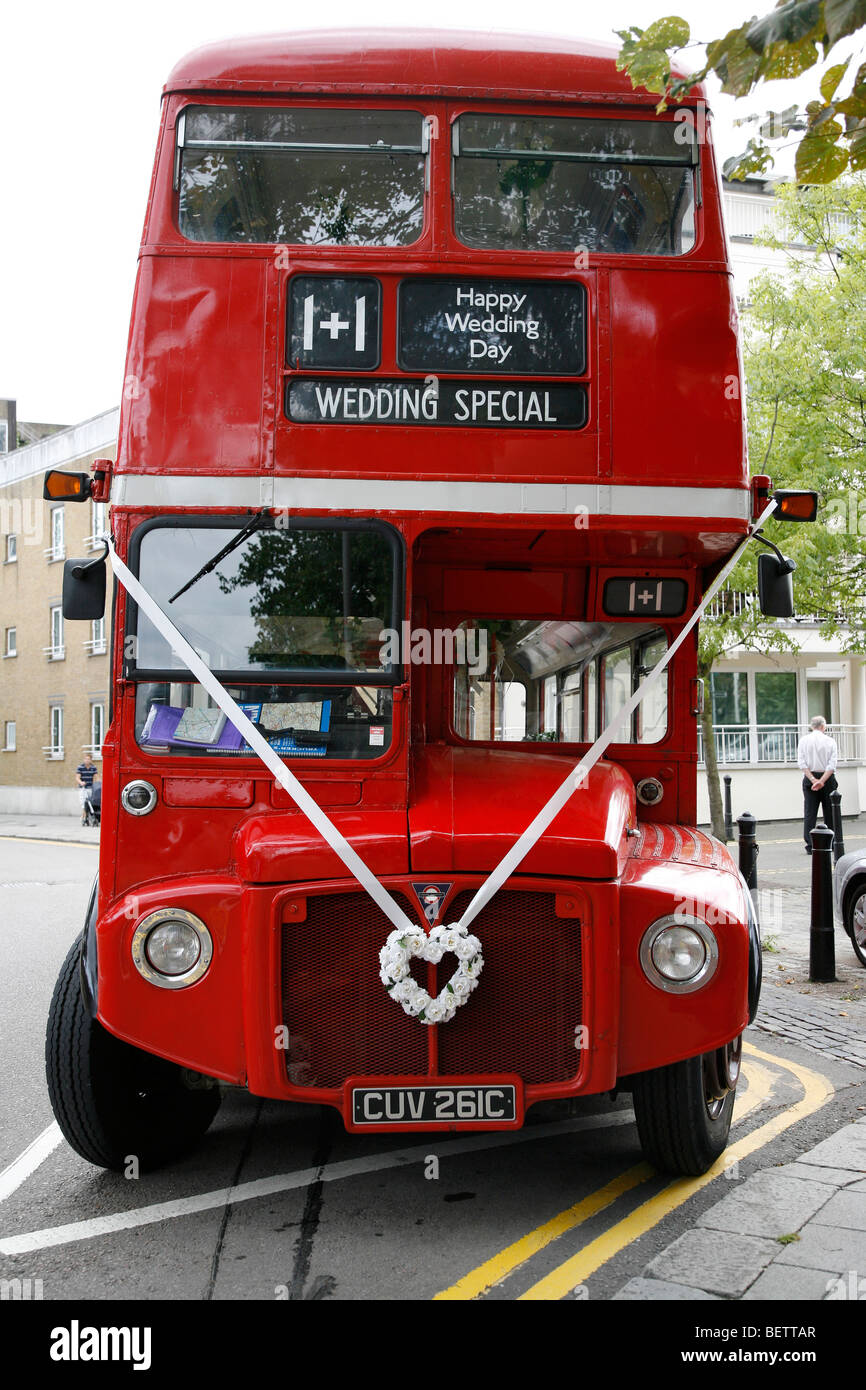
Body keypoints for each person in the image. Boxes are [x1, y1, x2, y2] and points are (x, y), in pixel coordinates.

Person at [797, 716, 838, 854]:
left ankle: (810, 845)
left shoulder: (803, 741)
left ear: (812, 726)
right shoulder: (830, 741)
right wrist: (822, 781)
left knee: (810, 812)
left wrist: (814, 780)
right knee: (830, 811)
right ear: (823, 726)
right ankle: (831, 843)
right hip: (827, 779)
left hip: (810, 778)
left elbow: (802, 763)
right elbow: (832, 765)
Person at [76, 753, 98, 826]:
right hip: (83, 788)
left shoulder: (93, 767)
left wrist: (98, 784)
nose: (87, 760)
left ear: (91, 760)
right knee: (83, 803)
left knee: (90, 803)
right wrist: (81, 782)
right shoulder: (80, 767)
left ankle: (84, 817)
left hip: (91, 788)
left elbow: (96, 777)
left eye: (88, 759)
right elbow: (77, 778)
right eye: (85, 759)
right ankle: (84, 817)